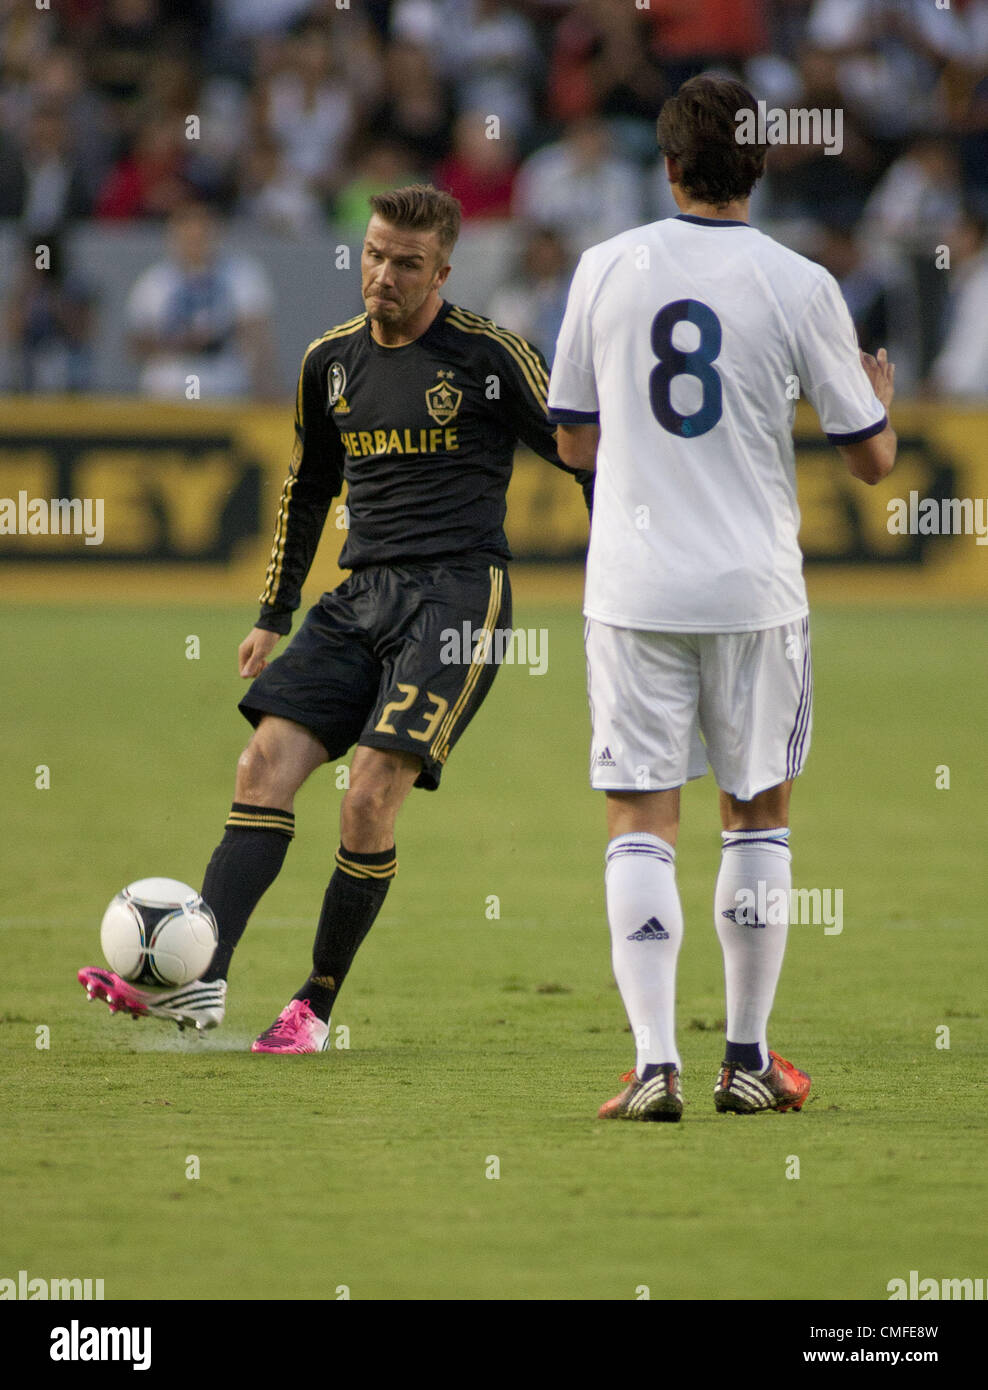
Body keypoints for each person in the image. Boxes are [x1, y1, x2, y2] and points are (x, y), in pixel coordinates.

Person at [80, 185, 591, 1053]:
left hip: (458, 600)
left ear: (442, 271)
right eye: (374, 256)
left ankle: (313, 1006)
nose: (383, 276)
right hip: (357, 598)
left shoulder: (492, 356)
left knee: (365, 798)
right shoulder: (331, 361)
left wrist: (636, 555)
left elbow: (585, 459)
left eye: (406, 264)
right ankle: (199, 982)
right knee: (262, 764)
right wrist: (273, 612)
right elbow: (309, 485)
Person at [548, 75, 897, 1121]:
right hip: (751, 591)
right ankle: (743, 1057)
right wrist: (879, 402)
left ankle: (655, 1063)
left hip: (633, 587)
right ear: (761, 162)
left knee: (637, 814)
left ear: (664, 163)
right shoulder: (798, 282)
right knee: (755, 813)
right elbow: (870, 463)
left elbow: (571, 437)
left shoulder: (604, 268)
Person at [125, 199, 277, 401]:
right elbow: (136, 344)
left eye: (202, 236)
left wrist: (266, 391)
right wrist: (181, 343)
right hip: (167, 396)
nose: (195, 244)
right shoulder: (154, 282)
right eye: (188, 237)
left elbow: (257, 338)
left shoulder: (241, 274)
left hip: (225, 393)